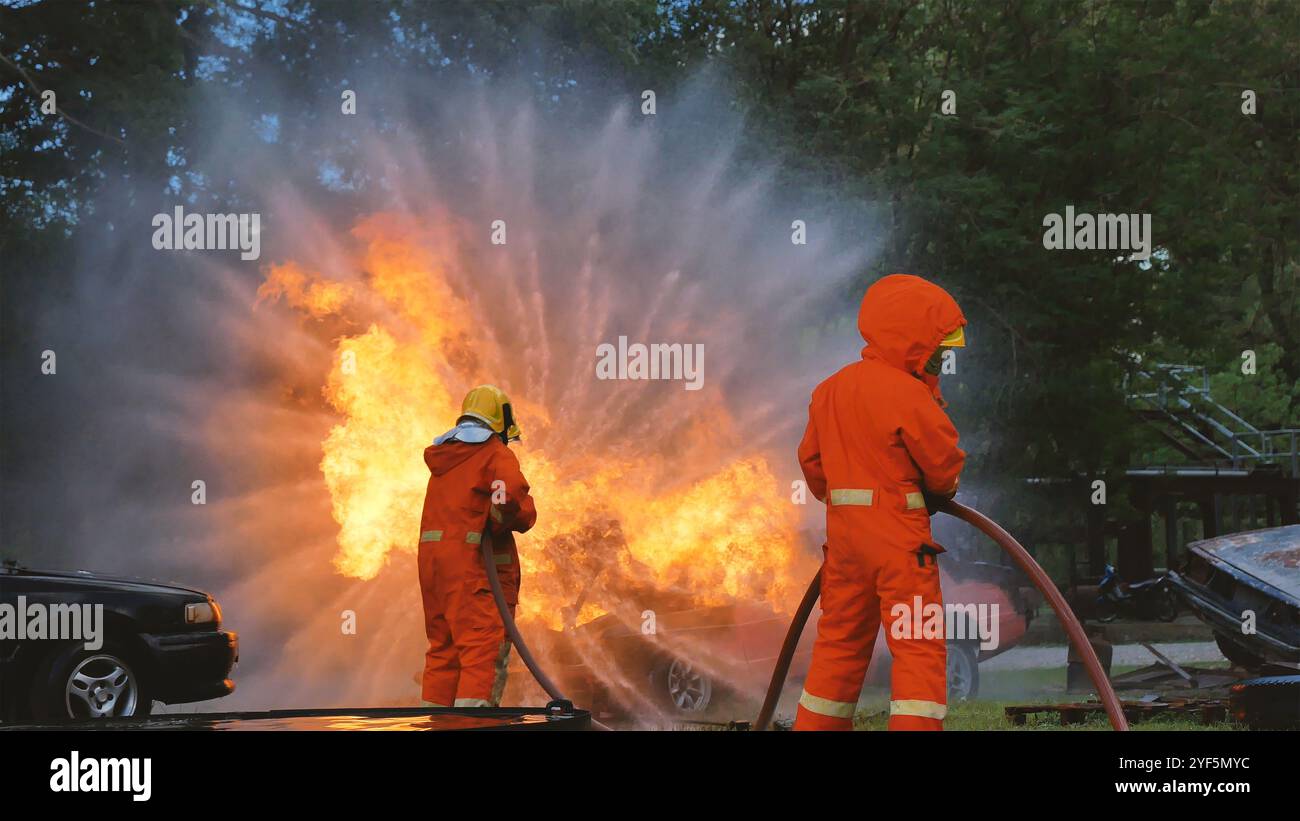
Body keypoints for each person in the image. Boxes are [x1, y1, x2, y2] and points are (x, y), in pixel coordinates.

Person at [794, 273, 967, 731]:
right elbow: (943, 462)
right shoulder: (907, 394)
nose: (941, 360)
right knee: (916, 645)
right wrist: (938, 493)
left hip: (846, 549)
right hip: (899, 548)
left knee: (839, 647)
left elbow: (812, 464)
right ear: (914, 342)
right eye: (938, 350)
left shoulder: (830, 389)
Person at [417, 384, 536, 707]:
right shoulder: (494, 453)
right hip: (473, 572)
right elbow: (508, 494)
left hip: (434, 571)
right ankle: (474, 723)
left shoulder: (444, 459)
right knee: (481, 648)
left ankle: (436, 725)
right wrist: (501, 518)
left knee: (443, 650)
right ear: (501, 422)